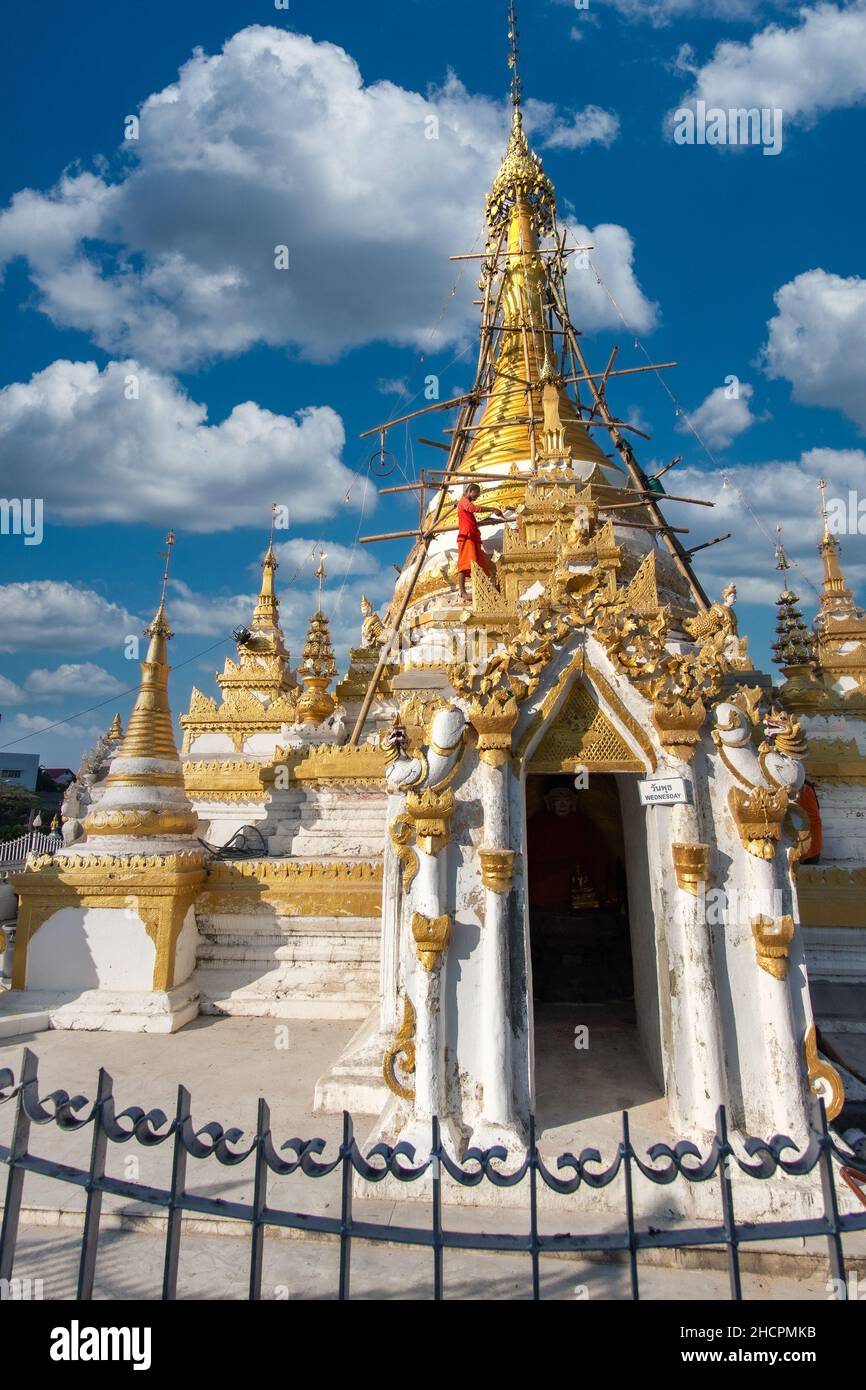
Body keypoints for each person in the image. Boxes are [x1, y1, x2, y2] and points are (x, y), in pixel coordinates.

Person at [456, 483, 506, 602]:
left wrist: (490, 519)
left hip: (473, 536)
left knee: (477, 563)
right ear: (470, 490)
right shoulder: (463, 501)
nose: (476, 497)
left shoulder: (467, 504)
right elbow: (473, 508)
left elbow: (473, 520)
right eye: (476, 494)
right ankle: (462, 592)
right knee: (464, 564)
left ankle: (483, 587)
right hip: (466, 536)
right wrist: (492, 509)